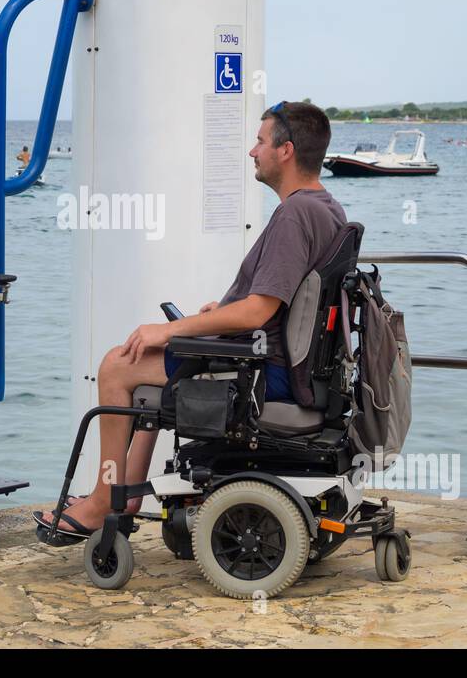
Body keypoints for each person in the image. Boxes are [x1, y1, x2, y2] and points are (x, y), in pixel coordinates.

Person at [39, 101, 348, 537]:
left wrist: (169, 330)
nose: (251, 152)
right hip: (290, 364)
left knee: (116, 364)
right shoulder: (328, 207)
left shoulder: (295, 214)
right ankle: (125, 494)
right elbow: (274, 304)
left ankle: (103, 498)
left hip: (265, 372)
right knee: (147, 381)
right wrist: (219, 314)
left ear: (286, 151)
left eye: (260, 141)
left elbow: (259, 309)